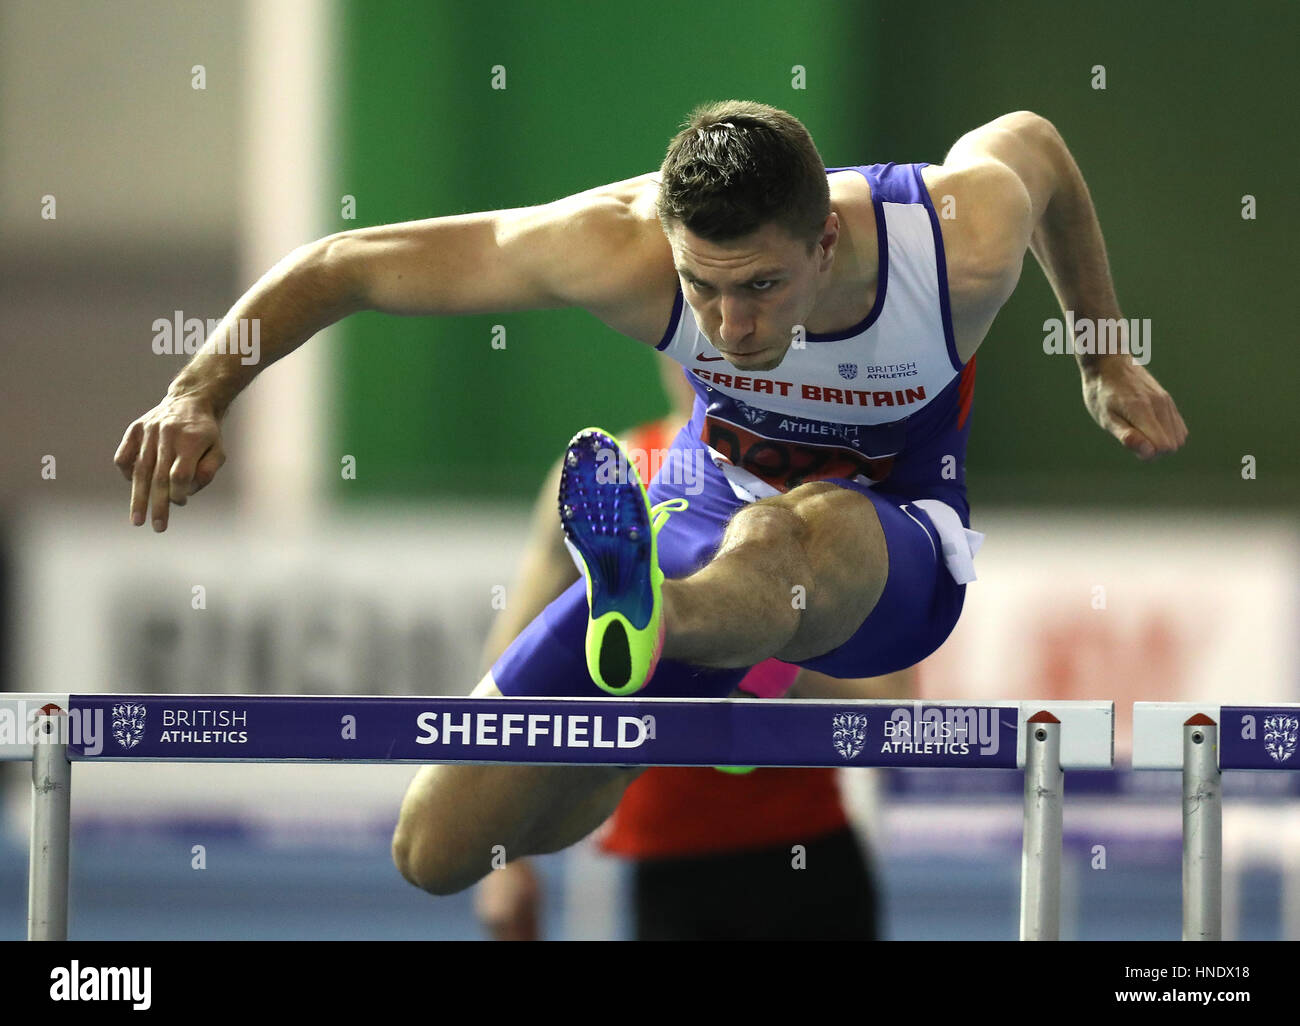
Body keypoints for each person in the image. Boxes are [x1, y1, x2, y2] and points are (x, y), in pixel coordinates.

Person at [114, 102, 1188, 898]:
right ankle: (645, 677)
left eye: (762, 286)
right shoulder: (617, 243)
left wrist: (1099, 353)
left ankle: (655, 623)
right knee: (437, 848)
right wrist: (198, 389)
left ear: (823, 243)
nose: (728, 324)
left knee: (789, 533)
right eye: (702, 285)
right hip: (697, 513)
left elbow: (1038, 145)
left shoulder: (956, 239)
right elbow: (351, 262)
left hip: (893, 539)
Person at [474, 357, 914, 940]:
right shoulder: (611, 479)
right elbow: (504, 681)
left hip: (808, 856)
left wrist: (763, 648)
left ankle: (670, 620)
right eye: (686, 344)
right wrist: (503, 858)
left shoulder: (821, 493)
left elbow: (891, 706)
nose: (704, 367)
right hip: (671, 868)